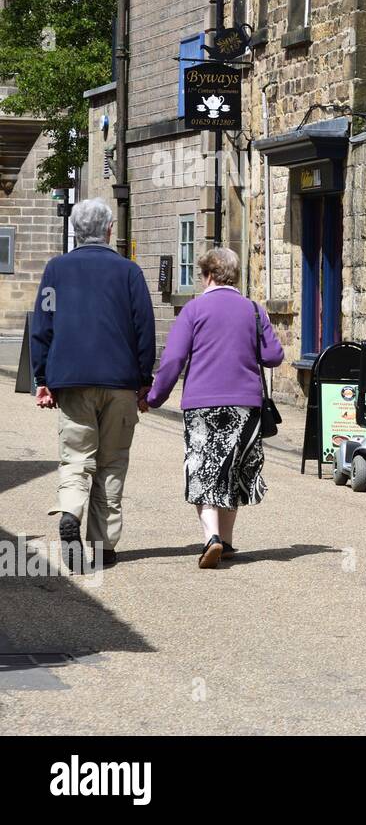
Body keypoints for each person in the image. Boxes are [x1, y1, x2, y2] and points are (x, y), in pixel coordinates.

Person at [30, 198, 156, 572]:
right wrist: (144, 380)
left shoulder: (56, 269)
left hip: (71, 380)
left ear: (76, 231)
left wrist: (42, 378)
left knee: (76, 458)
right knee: (112, 463)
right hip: (119, 381)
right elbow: (144, 328)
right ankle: (103, 546)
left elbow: (43, 324)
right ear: (109, 231)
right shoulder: (128, 272)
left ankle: (70, 510)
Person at [147, 248, 283, 568]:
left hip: (202, 403)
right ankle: (229, 541)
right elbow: (274, 356)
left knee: (203, 468)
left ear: (207, 275)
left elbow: (173, 360)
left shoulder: (193, 310)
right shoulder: (253, 310)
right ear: (234, 275)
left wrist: (154, 397)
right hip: (245, 404)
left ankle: (212, 537)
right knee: (232, 470)